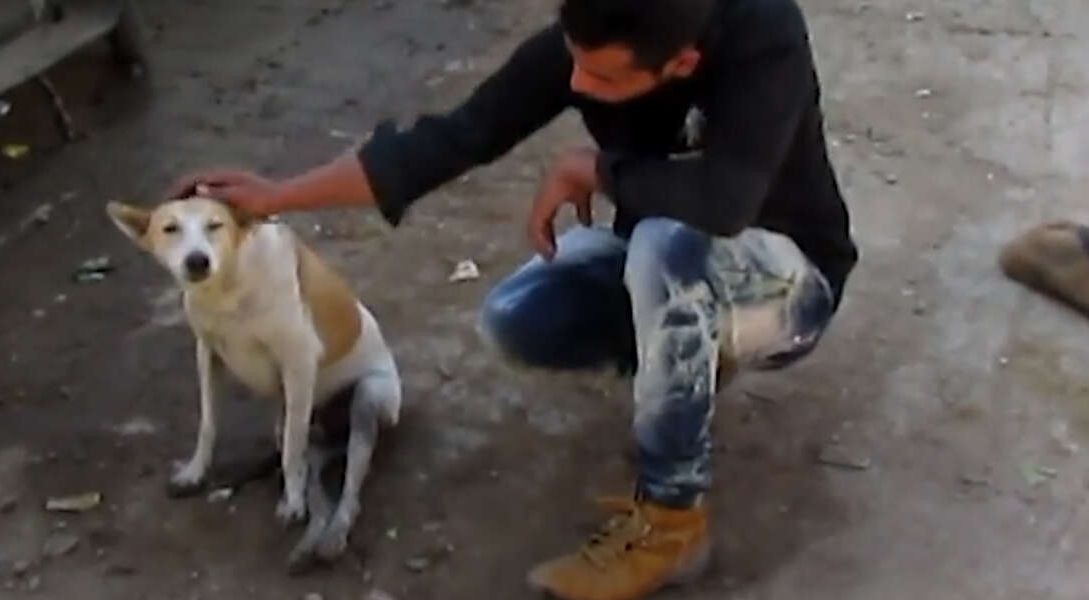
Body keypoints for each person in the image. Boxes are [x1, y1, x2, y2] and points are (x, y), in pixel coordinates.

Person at [174, 0, 858, 597]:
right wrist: (275, 196)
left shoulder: (764, 34)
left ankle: (673, 523)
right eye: (575, 64)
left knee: (666, 245)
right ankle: (688, 362)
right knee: (517, 318)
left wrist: (596, 167)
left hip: (791, 284)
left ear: (681, 63)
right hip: (673, 262)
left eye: (604, 79)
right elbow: (448, 140)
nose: (580, 84)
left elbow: (726, 201)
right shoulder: (591, 43)